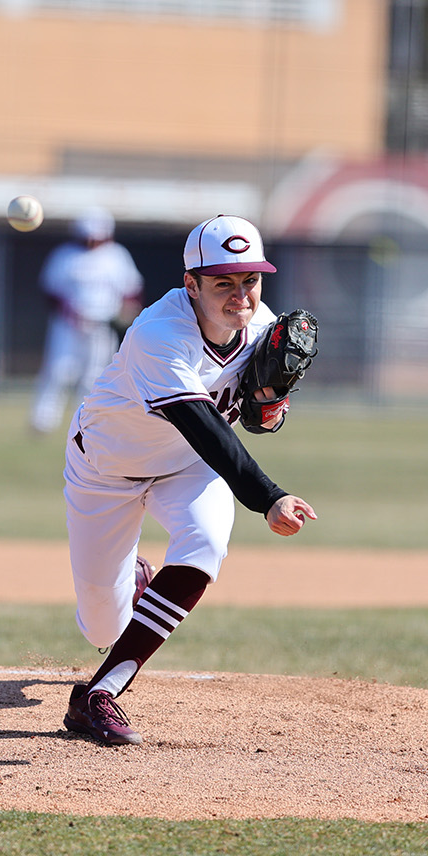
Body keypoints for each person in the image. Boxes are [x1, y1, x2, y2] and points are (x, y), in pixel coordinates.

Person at [60, 214, 317, 746]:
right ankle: (134, 581)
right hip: (106, 471)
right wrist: (268, 497)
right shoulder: (159, 333)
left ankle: (98, 696)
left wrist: (270, 405)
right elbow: (201, 425)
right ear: (191, 284)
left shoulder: (260, 325)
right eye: (223, 281)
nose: (240, 294)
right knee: (102, 628)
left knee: (205, 544)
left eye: (250, 279)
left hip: (187, 469)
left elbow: (257, 416)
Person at [28, 206, 144, 435]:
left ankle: (88, 421)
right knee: (58, 371)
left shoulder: (117, 256)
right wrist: (72, 314)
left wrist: (125, 311)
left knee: (94, 375)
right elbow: (51, 291)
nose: (92, 241)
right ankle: (43, 421)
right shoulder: (65, 255)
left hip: (103, 326)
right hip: (68, 325)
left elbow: (131, 290)